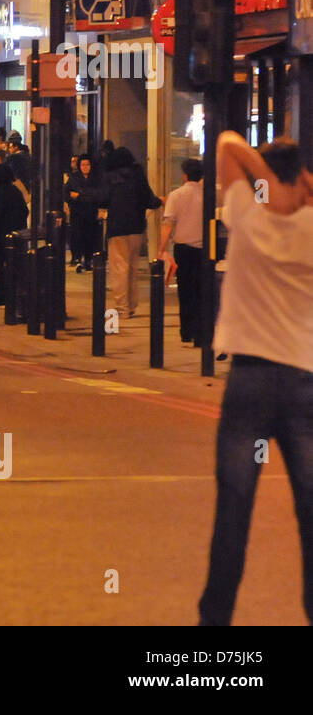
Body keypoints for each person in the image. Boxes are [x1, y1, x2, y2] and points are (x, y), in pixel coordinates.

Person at [198, 133, 313, 626]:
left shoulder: (247, 208)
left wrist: (273, 189)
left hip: (249, 382)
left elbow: (226, 144)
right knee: (311, 512)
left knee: (234, 509)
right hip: (306, 383)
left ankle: (215, 623)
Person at [97, 146, 161, 321]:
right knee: (132, 268)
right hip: (137, 227)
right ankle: (132, 305)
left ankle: (122, 307)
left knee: (120, 269)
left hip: (117, 229)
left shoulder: (110, 178)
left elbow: (102, 199)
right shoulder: (138, 176)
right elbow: (150, 200)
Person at [157, 157, 205, 345]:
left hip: (182, 249)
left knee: (185, 291)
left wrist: (161, 249)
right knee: (201, 290)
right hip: (203, 248)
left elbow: (168, 224)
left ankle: (186, 330)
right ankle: (200, 333)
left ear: (185, 175)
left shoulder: (176, 195)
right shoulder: (208, 195)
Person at [0, 162, 29, 306]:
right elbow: (25, 211)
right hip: (17, 234)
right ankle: (15, 293)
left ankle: (2, 296)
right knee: (16, 265)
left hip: (0, 235)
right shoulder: (15, 191)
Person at [66, 154, 100, 272]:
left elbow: (97, 195)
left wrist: (79, 195)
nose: (85, 167)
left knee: (90, 236)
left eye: (87, 164)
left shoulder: (96, 179)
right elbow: (67, 194)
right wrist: (86, 196)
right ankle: (77, 259)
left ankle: (88, 260)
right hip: (77, 213)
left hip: (91, 213)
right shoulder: (74, 178)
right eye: (83, 165)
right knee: (77, 235)